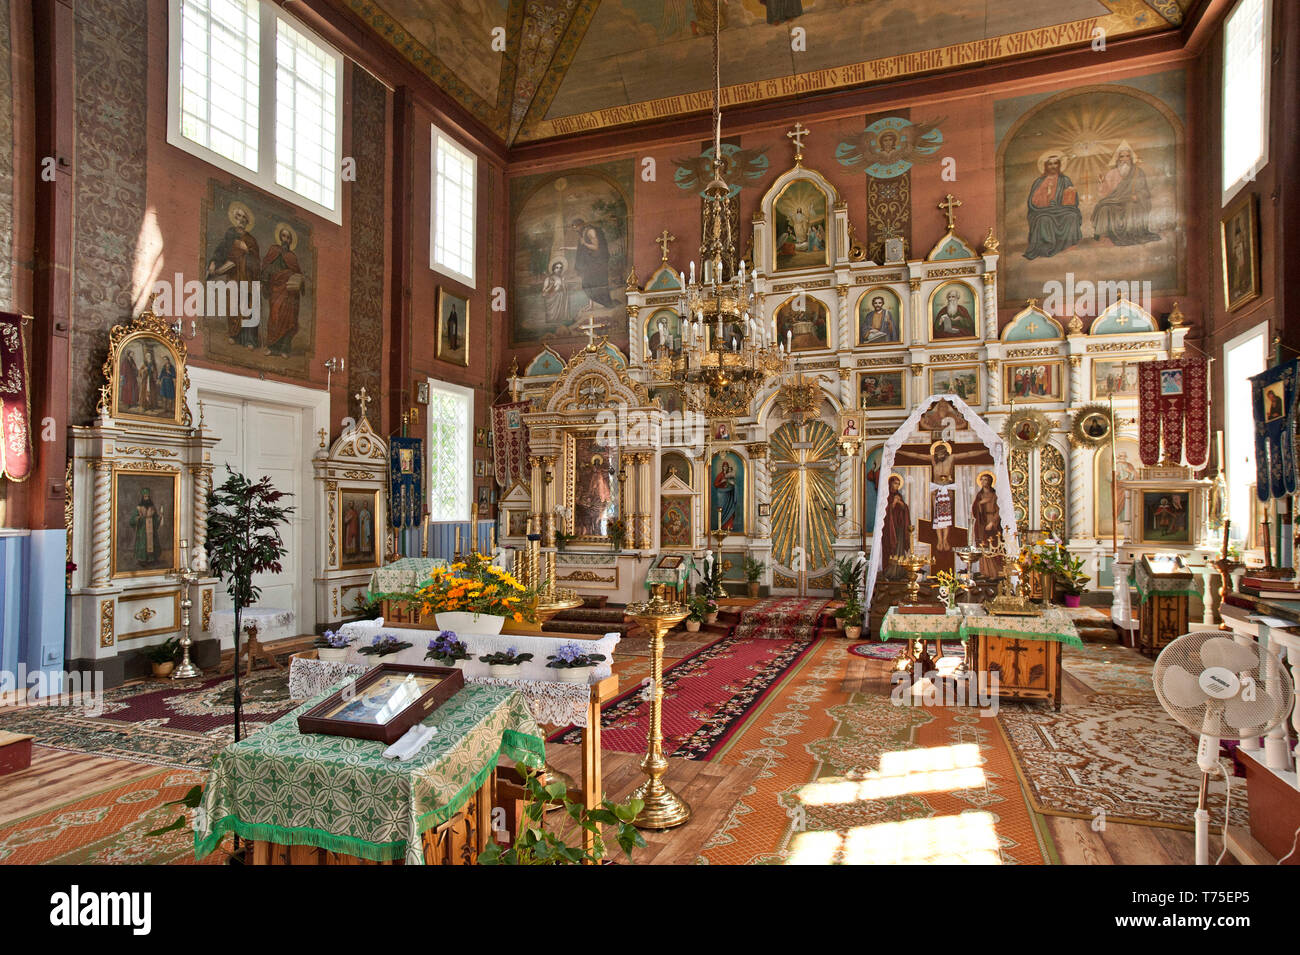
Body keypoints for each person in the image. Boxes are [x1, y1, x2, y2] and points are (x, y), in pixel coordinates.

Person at [1091, 145, 1159, 247]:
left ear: (1131, 158)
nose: (1124, 159)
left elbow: (1145, 192)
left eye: (1127, 156)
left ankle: (1130, 235)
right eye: (1122, 157)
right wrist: (1102, 183)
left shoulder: (1138, 173)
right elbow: (1106, 194)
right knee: (1104, 208)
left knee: (1130, 206)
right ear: (1118, 159)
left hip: (1132, 202)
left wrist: (1137, 196)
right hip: (1115, 202)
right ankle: (1105, 237)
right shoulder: (1112, 173)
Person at [1024, 154, 1082, 260]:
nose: (1053, 166)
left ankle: (1069, 245)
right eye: (1050, 164)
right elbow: (1032, 202)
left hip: (1061, 209)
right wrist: (1044, 200)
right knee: (1044, 219)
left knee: (1072, 215)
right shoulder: (1039, 182)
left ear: (1059, 165)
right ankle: (1045, 247)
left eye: (1055, 163)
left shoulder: (1065, 180)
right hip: (1042, 211)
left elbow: (1073, 200)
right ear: (1046, 166)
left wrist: (1068, 197)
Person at [262, 225, 305, 358]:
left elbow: (298, 274)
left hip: (290, 292)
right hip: (276, 288)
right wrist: (264, 281)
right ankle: (272, 347)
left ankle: (284, 349)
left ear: (291, 240)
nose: (285, 239)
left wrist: (300, 282)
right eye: (283, 236)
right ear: (280, 237)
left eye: (288, 237)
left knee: (289, 319)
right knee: (275, 316)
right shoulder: (273, 250)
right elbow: (266, 266)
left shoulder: (292, 257)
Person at [574, 221, 614, 309]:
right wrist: (566, 248)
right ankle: (591, 305)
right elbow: (581, 247)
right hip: (590, 263)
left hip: (596, 263)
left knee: (592, 283)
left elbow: (596, 247)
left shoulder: (590, 231)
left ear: (580, 225)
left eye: (575, 227)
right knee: (587, 284)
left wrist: (584, 243)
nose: (575, 230)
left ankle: (603, 302)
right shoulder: (584, 233)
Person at [971, 472, 1002, 577]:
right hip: (981, 523)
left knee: (993, 545)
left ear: (990, 481)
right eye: (982, 479)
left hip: (992, 522)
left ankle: (995, 572)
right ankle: (985, 572)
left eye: (986, 479)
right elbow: (975, 511)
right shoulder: (979, 496)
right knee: (983, 545)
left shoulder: (995, 495)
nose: (983, 481)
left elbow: (999, 510)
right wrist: (980, 503)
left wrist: (993, 522)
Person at [880, 474, 911, 579]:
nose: (897, 486)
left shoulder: (899, 495)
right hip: (889, 529)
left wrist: (903, 506)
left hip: (899, 528)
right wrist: (893, 503)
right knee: (891, 549)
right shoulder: (886, 496)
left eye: (898, 484)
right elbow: (885, 511)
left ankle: (900, 571)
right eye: (895, 483)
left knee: (899, 549)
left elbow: (904, 509)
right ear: (890, 484)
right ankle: (890, 572)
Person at [129, 487, 163, 567]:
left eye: (148, 497)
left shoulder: (152, 508)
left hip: (152, 529)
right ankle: (142, 560)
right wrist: (138, 518)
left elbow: (155, 519)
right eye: (145, 497)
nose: (146, 498)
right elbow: (132, 520)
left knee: (153, 542)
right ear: (143, 498)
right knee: (143, 543)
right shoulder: (138, 508)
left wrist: (159, 518)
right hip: (142, 530)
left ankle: (152, 559)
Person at [712, 459, 738, 532]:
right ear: (722, 467)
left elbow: (733, 483)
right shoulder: (720, 475)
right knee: (723, 510)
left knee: (730, 509)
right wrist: (721, 482)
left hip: (729, 494)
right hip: (722, 494)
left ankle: (729, 526)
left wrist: (733, 486)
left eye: (726, 466)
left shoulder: (730, 474)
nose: (725, 468)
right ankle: (722, 526)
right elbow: (715, 484)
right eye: (724, 466)